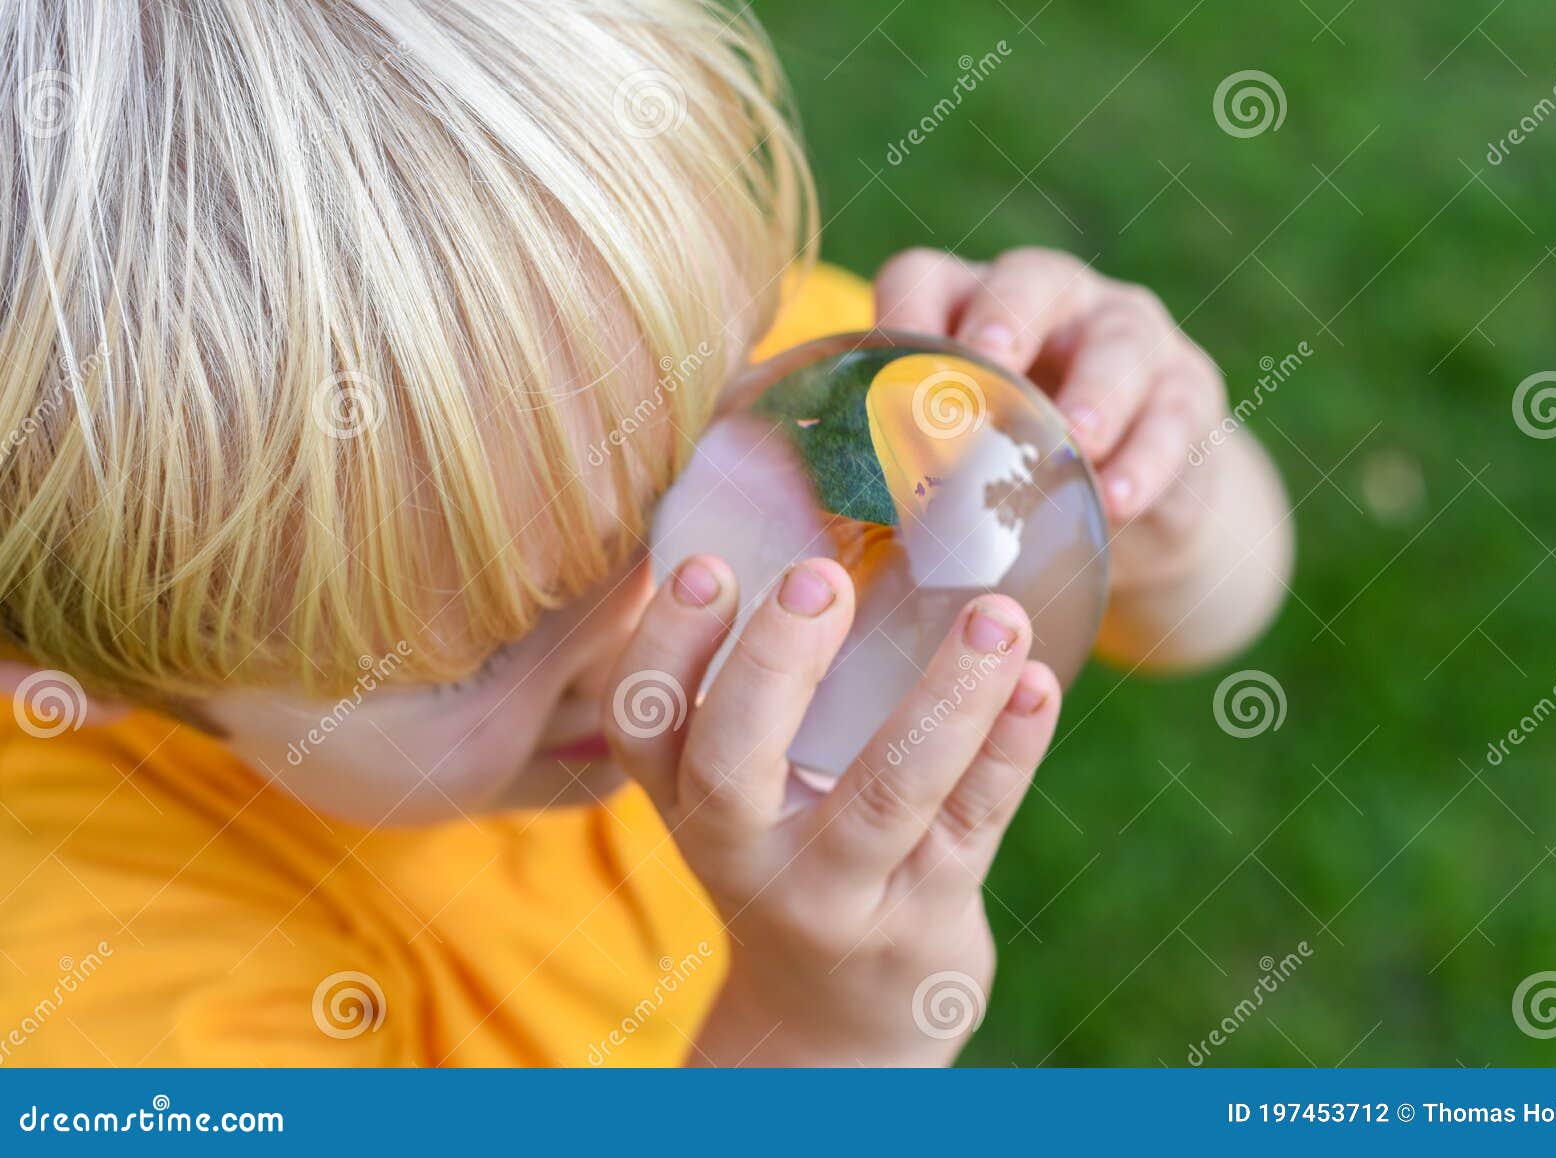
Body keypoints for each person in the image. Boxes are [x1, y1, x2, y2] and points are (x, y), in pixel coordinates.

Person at [0, 0, 1290, 1066]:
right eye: (485, 650)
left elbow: (1209, 617)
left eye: (702, 469)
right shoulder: (103, 995)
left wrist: (1146, 503)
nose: (666, 613)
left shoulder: (795, 406)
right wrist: (822, 1032)